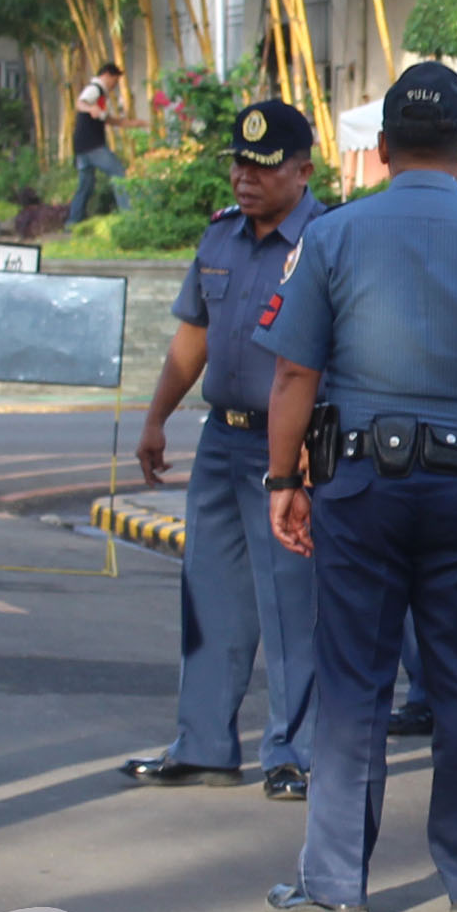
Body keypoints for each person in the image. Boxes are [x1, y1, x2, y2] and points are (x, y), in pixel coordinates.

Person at [261, 62, 457, 912]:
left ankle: (336, 886)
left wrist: (285, 479)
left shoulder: (333, 238)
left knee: (355, 678)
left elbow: (292, 370)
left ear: (383, 147)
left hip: (360, 484)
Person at [126, 98, 326, 799]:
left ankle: (295, 752)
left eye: (264, 166)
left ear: (303, 170)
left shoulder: (326, 242)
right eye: (239, 163)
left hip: (293, 449)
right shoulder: (220, 239)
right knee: (209, 594)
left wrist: (300, 457)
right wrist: (156, 419)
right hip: (222, 442)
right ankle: (205, 742)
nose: (246, 177)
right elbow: (193, 338)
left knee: (293, 602)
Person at [69, 60, 128, 227]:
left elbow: (104, 118)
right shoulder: (94, 89)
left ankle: (73, 221)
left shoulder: (100, 93)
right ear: (107, 75)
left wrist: (127, 123)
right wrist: (90, 109)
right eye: (115, 81)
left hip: (82, 146)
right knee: (119, 173)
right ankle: (129, 216)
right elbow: (80, 103)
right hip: (92, 146)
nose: (115, 85)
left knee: (85, 185)